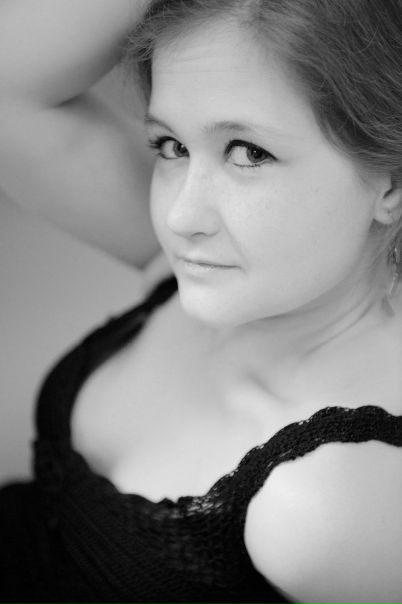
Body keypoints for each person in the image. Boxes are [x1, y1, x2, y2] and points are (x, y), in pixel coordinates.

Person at [0, 0, 401, 602]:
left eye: (248, 152)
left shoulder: (328, 508)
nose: (180, 216)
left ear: (390, 183)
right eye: (170, 146)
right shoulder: (224, 274)